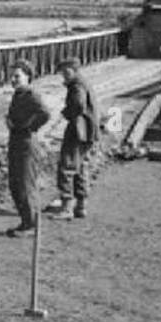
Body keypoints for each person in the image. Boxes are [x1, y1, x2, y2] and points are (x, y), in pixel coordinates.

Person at [44, 57, 99, 220]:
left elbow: (78, 105)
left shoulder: (76, 86)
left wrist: (65, 113)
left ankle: (67, 206)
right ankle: (81, 206)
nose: (64, 76)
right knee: (81, 167)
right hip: (88, 132)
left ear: (73, 71)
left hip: (78, 130)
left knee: (66, 166)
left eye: (66, 72)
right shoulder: (84, 82)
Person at [5, 62, 51, 237]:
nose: (13, 79)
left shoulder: (31, 95)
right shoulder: (19, 94)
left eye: (17, 76)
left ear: (27, 76)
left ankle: (30, 226)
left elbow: (45, 113)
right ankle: (26, 222)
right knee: (15, 183)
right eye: (12, 76)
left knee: (25, 184)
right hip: (17, 142)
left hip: (25, 143)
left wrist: (26, 127)